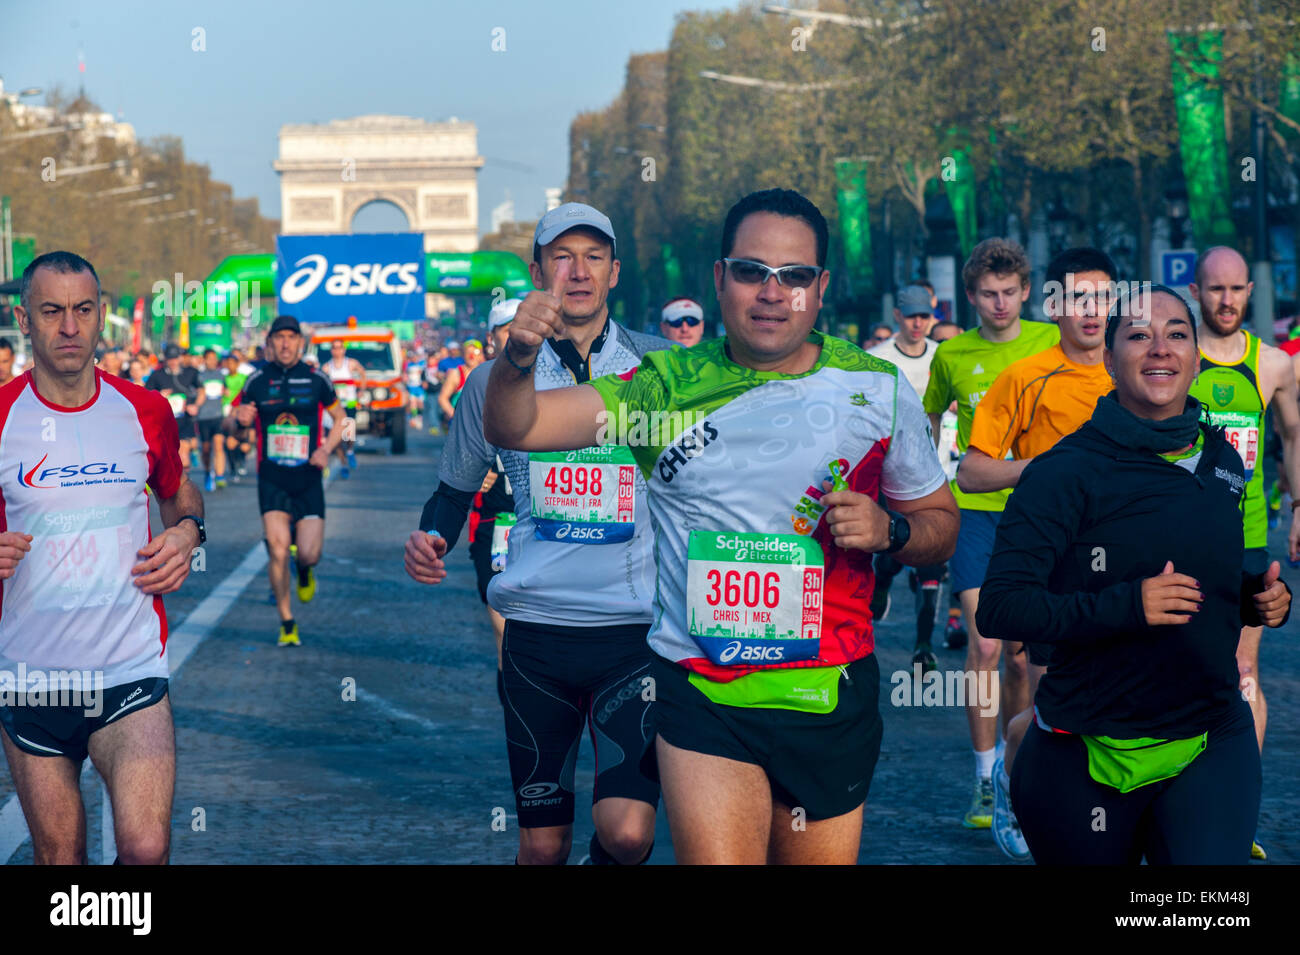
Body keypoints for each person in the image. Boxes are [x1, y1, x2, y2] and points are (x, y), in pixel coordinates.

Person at [482, 188, 960, 864]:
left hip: (827, 692)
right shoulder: (662, 385)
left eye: (794, 276)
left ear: (820, 288)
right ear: (719, 278)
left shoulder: (876, 389)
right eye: (750, 272)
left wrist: (894, 533)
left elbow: (942, 521)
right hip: (702, 690)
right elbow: (515, 424)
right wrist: (520, 355)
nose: (772, 293)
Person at [977, 284, 1291, 864]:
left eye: (1176, 335)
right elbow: (1001, 606)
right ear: (1110, 358)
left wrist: (1259, 599)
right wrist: (1128, 605)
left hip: (1210, 734)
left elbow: (1209, 578)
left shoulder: (1223, 458)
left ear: (1197, 358)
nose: (1160, 349)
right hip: (1087, 748)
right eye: (1139, 335)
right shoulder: (1063, 472)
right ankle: (1018, 747)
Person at [405, 204, 665, 866]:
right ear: (536, 270)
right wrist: (429, 535)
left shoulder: (664, 367)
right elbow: (454, 489)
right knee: (542, 846)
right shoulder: (492, 380)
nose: (578, 271)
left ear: (614, 270)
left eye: (593, 257)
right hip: (537, 636)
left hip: (634, 633)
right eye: (562, 256)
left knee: (629, 834)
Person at [1, 251, 204, 864]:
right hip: (32, 679)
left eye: (83, 310)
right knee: (61, 860)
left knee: (145, 852)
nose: (70, 327)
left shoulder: (145, 410)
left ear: (100, 315)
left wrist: (189, 532)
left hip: (129, 671)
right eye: (52, 311)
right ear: (24, 318)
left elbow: (176, 491)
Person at [955, 246, 1118, 858]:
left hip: (1123, 561)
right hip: (1049, 561)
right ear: (1054, 306)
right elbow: (971, 472)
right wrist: (1048, 470)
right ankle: (1014, 781)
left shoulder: (1138, 371)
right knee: (1045, 689)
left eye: (1103, 298)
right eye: (1079, 298)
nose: (1092, 311)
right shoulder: (1025, 377)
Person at [921, 237, 1060, 830]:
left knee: (1023, 660)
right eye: (987, 295)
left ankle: (1015, 768)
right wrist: (923, 494)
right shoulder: (952, 356)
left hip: (1041, 515)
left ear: (1025, 291)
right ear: (970, 296)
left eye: (1009, 293)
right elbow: (927, 423)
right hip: (976, 510)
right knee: (983, 645)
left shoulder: (1052, 342)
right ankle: (982, 778)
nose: (999, 304)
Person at [1186, 245, 1300, 861]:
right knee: (1180, 668)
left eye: (1235, 290)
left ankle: (1236, 811)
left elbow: (1291, 432)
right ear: (1196, 290)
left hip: (1248, 538)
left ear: (1250, 292)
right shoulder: (1174, 354)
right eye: (1214, 289)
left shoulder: (1275, 364)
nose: (1225, 301)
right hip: (1179, 538)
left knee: (1244, 674)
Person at [233, 315, 346, 646]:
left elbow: (343, 419)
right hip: (272, 477)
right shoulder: (256, 380)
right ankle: (287, 622)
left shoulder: (317, 379)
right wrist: (238, 419)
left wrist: (327, 448)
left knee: (308, 554)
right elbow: (231, 421)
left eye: (291, 338)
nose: (285, 343)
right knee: (278, 550)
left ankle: (306, 569)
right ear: (269, 343)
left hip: (308, 477)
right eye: (278, 338)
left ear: (300, 342)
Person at [866, 285, 949, 673]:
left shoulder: (943, 357)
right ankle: (882, 580)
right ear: (897, 316)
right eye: (911, 315)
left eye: (925, 316)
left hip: (939, 472)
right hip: (890, 474)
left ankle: (923, 646)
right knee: (892, 549)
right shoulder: (875, 360)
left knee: (932, 559)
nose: (919, 323)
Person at [146, 344, 202, 472]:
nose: (173, 362)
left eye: (175, 358)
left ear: (180, 358)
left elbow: (202, 390)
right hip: (165, 422)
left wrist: (196, 405)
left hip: (185, 421)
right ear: (165, 359)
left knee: (183, 455)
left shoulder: (190, 372)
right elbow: (146, 396)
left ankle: (184, 485)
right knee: (169, 458)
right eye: (170, 359)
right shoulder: (157, 375)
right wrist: (159, 396)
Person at [323, 339, 364, 479]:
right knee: (337, 438)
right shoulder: (327, 367)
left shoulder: (350, 363)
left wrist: (361, 391)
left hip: (350, 403)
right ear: (331, 350)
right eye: (334, 348)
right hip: (336, 407)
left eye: (339, 347)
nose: (337, 350)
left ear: (343, 350)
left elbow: (362, 373)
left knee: (349, 434)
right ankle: (343, 464)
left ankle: (351, 451)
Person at [195, 348, 227, 492]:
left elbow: (226, 390)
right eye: (209, 358)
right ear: (204, 360)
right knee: (206, 449)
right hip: (203, 417)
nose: (212, 361)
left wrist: (226, 392)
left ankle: (220, 476)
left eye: (214, 358)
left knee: (219, 445)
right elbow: (195, 393)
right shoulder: (199, 376)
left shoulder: (221, 375)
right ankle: (208, 472)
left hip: (218, 415)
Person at [437, 340, 483, 422]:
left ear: (481, 355)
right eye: (468, 352)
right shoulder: (456, 373)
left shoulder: (487, 372)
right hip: (461, 426)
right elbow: (442, 398)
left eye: (475, 352)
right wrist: (456, 417)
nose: (471, 356)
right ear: (463, 354)